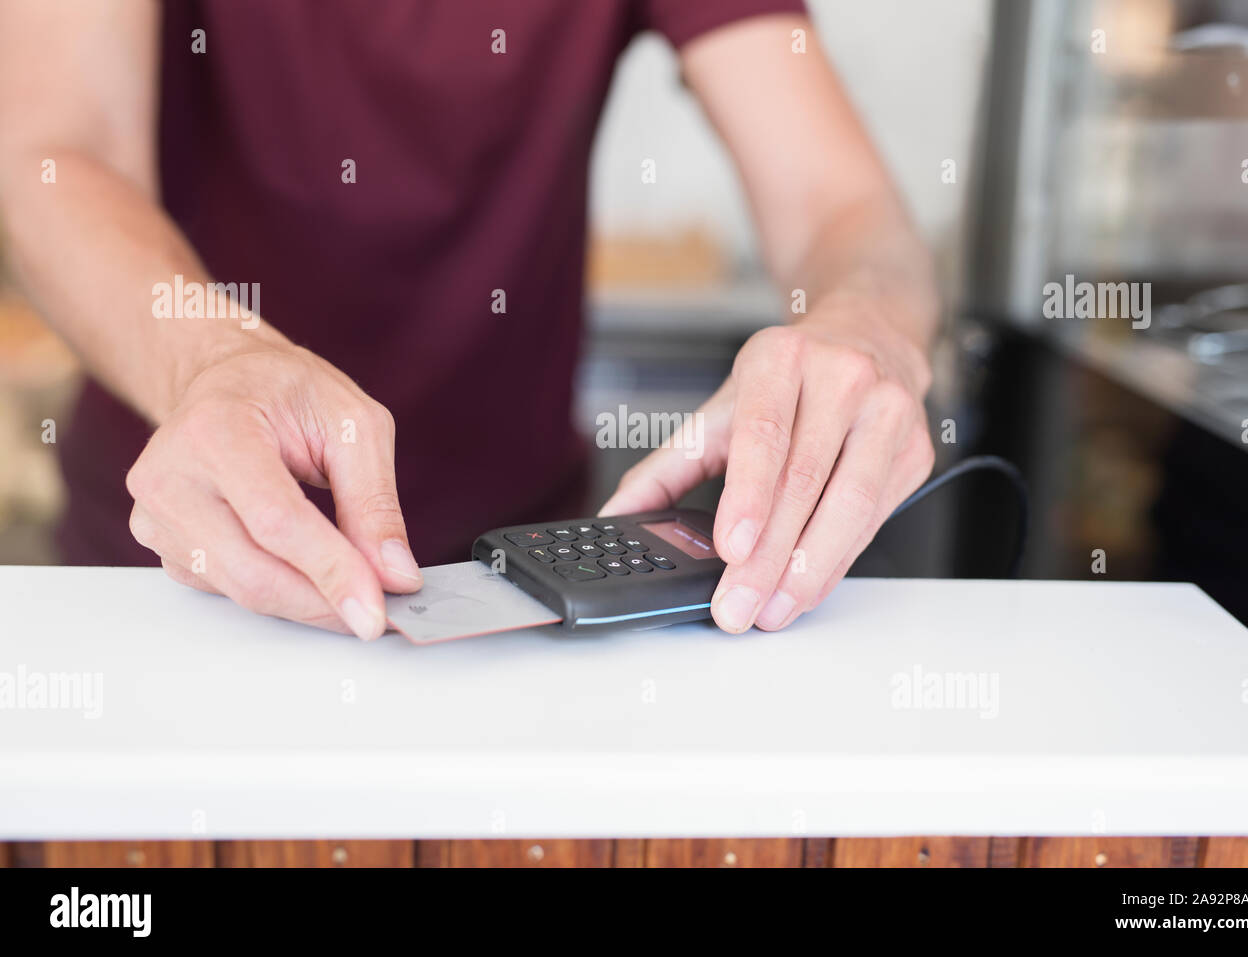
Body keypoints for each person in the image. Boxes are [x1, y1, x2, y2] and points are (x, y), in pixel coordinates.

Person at [0, 0, 937, 640]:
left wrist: (865, 326)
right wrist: (212, 359)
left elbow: (838, 203)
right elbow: (51, 157)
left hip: (526, 595)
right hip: (178, 568)